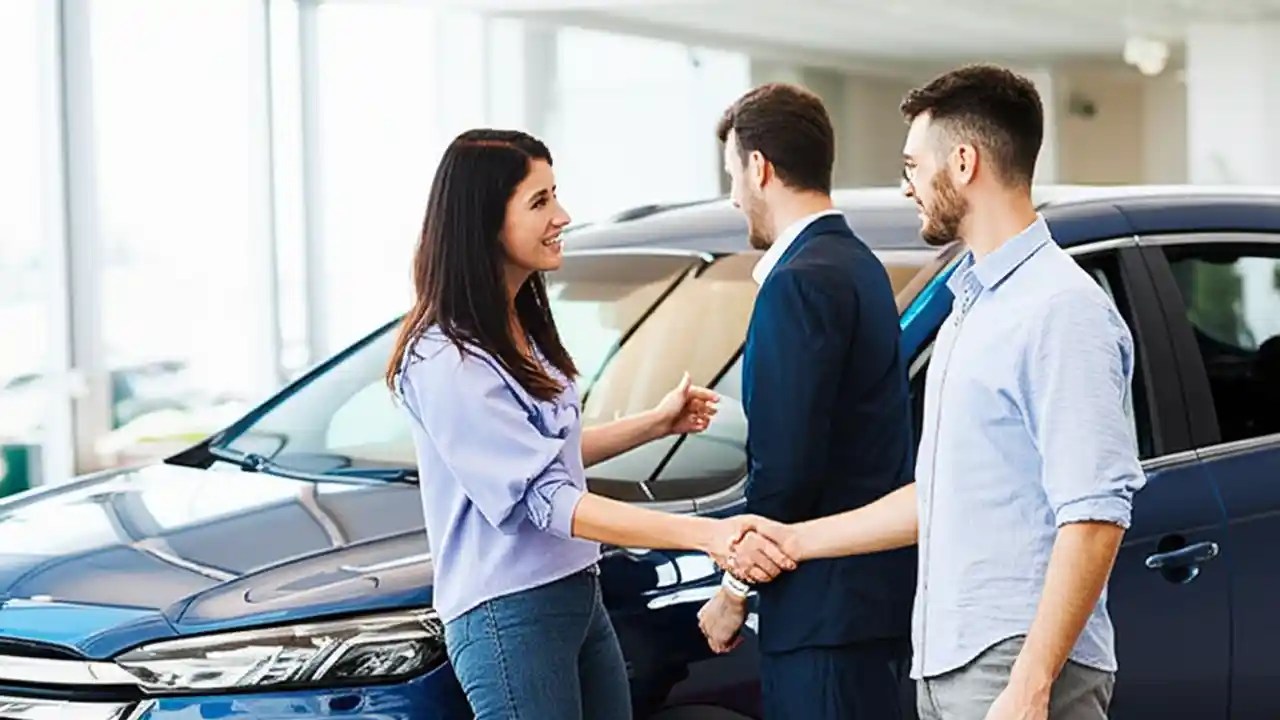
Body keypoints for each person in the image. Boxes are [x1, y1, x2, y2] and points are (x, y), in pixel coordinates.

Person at [741, 65, 1148, 720]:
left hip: (1015, 662)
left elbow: (1095, 514)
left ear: (962, 162)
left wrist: (1031, 683)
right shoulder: (972, 306)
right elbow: (940, 496)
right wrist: (795, 541)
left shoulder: (1060, 310)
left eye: (913, 164)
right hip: (951, 661)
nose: (908, 187)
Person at [385, 129, 793, 720]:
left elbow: (547, 456)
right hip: (509, 614)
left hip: (576, 591)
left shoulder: (515, 327)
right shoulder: (446, 358)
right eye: (540, 202)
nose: (563, 216)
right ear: (483, 222)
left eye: (556, 195)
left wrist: (654, 425)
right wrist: (706, 537)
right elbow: (545, 498)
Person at [695, 83, 917, 720]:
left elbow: (786, 471)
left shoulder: (799, 284)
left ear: (759, 168)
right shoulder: (859, 264)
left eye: (734, 175)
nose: (735, 196)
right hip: (862, 607)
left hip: (824, 616)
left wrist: (733, 592)